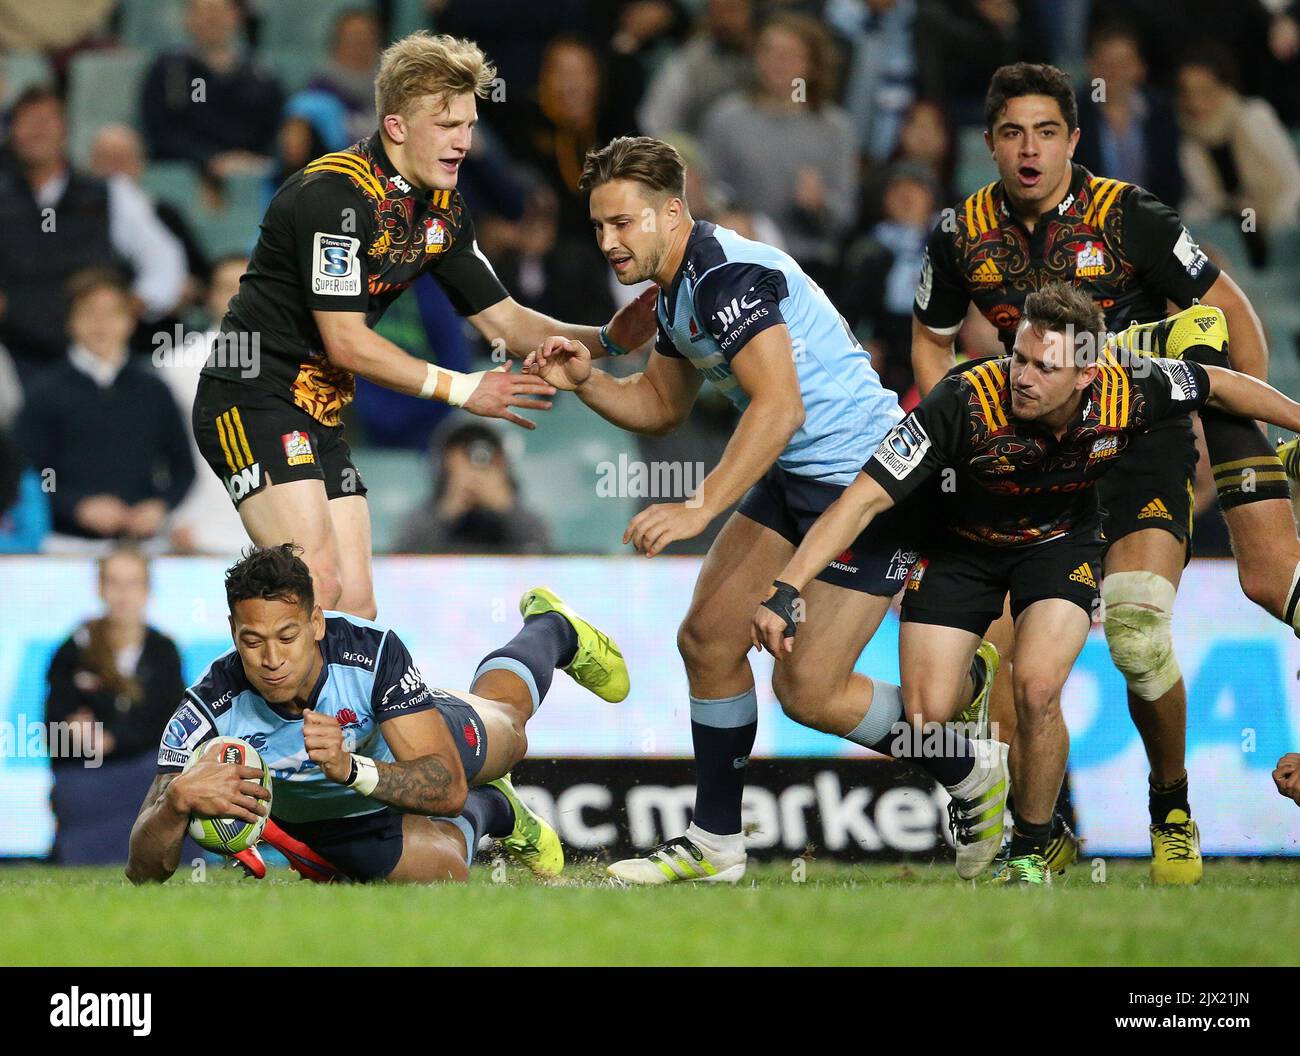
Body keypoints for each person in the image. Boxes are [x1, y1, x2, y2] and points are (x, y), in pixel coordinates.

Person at [525, 136, 1005, 885]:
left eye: (623, 223)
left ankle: (967, 766)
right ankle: (716, 843)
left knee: (807, 691)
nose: (609, 242)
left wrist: (702, 504)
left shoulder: (725, 277)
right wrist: (585, 380)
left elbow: (780, 406)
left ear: (672, 213)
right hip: (796, 479)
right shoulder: (675, 292)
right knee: (709, 641)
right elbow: (658, 405)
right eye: (598, 226)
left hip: (875, 485)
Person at [755, 282, 1300, 884]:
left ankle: (1030, 849)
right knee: (928, 718)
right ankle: (977, 679)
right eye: (1020, 357)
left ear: (1088, 374)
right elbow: (858, 503)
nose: (1024, 376)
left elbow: (1219, 384)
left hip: (1060, 545)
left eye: (1046, 366)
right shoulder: (961, 401)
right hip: (960, 548)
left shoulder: (1131, 390)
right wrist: (788, 589)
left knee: (1038, 688)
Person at [910, 62, 1296, 885]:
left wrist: (1243, 435)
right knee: (1018, 675)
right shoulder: (959, 232)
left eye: (1047, 132)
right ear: (989, 144)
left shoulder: (1128, 218)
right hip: (1030, 461)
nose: (1029, 150)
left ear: (1074, 141)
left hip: (1136, 442)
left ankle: (1171, 808)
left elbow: (1228, 316)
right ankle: (1035, 840)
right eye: (1012, 132)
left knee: (1137, 628)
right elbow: (931, 335)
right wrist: (943, 439)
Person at [190, 32, 656, 621]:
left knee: (356, 606)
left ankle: (334, 718)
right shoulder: (333, 197)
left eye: (468, 124)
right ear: (396, 126)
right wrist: (464, 388)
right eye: (446, 125)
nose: (463, 142)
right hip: (249, 396)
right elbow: (346, 340)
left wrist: (612, 338)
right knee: (314, 586)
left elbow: (507, 320)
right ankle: (222, 713)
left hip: (318, 410)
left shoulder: (443, 210)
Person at [126, 543, 629, 884]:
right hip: (333, 825)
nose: (272, 660)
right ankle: (500, 809)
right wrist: (176, 803)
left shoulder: (370, 652)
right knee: (447, 872)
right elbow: (142, 870)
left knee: (511, 736)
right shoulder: (205, 713)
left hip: (406, 750)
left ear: (316, 623)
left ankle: (551, 627)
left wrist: (348, 767)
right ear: (233, 630)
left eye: (287, 637)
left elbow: (448, 791)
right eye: (252, 642)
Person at [0, 86, 187, 380]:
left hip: (98, 359)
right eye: (27, 121)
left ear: (65, 129)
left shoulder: (110, 193)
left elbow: (165, 262)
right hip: (15, 357)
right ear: (12, 131)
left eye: (47, 120)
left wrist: (122, 310)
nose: (37, 131)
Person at [17, 269, 194, 552]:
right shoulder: (44, 390)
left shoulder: (153, 389)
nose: (101, 324)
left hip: (143, 549)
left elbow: (184, 468)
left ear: (130, 321)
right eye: (88, 313)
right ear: (70, 320)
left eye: (113, 313)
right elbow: (27, 472)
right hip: (66, 545)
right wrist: (76, 506)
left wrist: (160, 506)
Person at [46, 546, 185, 864]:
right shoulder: (73, 650)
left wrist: (112, 739)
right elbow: (54, 723)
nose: (123, 593)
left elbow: (169, 724)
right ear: (100, 587)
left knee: (172, 787)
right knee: (73, 794)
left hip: (145, 771)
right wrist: (75, 736)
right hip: (88, 774)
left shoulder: (163, 652)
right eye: (114, 582)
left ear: (147, 590)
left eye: (132, 583)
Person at [697, 11, 858, 280]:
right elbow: (707, 191)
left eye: (790, 54)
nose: (778, 62)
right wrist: (729, 213)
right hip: (739, 260)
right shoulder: (726, 117)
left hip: (808, 265)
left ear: (812, 65)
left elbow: (845, 214)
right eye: (769, 51)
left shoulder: (835, 128)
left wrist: (819, 207)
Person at [139, 0, 284, 180]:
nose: (212, 19)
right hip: (186, 173)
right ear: (188, 18)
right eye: (203, 12)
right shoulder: (172, 70)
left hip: (251, 172)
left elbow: (276, 128)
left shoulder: (261, 74)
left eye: (219, 11)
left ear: (236, 17)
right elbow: (161, 131)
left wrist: (248, 159)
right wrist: (210, 160)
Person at [392, 421, 552, 554]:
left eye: (485, 457)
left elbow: (545, 561)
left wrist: (507, 509)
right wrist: (446, 513)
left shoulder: (529, 521)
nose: (475, 469)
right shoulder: (422, 519)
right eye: (464, 456)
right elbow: (404, 564)